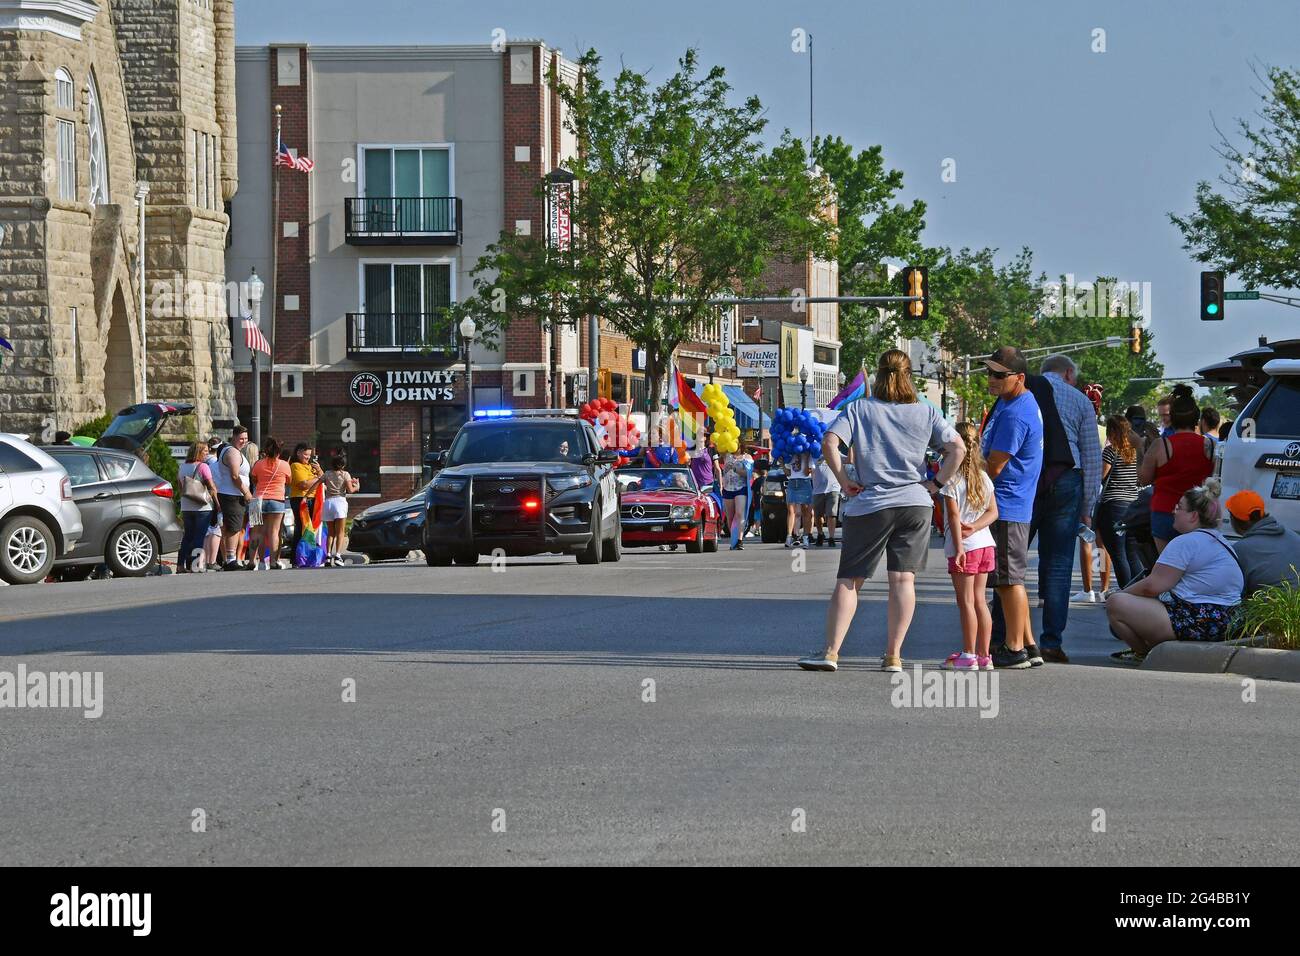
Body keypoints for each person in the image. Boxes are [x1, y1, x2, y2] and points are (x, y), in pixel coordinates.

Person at [797, 349, 963, 673]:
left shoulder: (859, 408)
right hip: (915, 502)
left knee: (849, 580)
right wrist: (936, 484)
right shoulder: (925, 412)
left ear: (878, 374)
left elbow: (830, 442)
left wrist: (844, 480)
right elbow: (958, 448)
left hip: (871, 502)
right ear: (909, 375)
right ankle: (893, 655)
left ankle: (831, 652)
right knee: (903, 581)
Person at [1106, 482, 1243, 658]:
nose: (1173, 511)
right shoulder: (1222, 541)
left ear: (1193, 516)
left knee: (1115, 604)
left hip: (1197, 620)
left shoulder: (1185, 542)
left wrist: (1120, 594)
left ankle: (1143, 653)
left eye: (1179, 507)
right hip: (1227, 621)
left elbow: (1152, 586)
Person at [980, 347, 1044, 670]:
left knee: (1008, 580)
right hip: (1012, 504)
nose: (991, 379)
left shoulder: (1016, 412)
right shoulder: (1014, 402)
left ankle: (1014, 647)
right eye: (989, 372)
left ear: (1018, 378)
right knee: (1012, 577)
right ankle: (1030, 645)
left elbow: (994, 466)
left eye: (999, 375)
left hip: (1006, 505)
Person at [940, 422, 999, 671]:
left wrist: (960, 546)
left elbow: (953, 516)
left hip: (964, 546)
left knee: (965, 602)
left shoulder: (951, 477)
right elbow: (994, 511)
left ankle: (969, 654)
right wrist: (976, 527)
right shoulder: (983, 477)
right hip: (985, 543)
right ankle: (985, 656)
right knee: (980, 601)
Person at [1139, 384, 1214, 554]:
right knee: (1194, 566)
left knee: (1166, 566)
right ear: (1196, 419)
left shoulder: (1161, 445)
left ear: (1172, 418)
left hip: (1164, 512)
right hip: (1196, 513)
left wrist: (1138, 448)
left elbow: (1144, 479)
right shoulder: (1208, 445)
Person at [1091, 415, 1143, 589]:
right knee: (1132, 553)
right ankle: (1138, 590)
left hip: (1114, 506)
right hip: (1133, 506)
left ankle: (1126, 591)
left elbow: (1101, 476)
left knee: (1118, 553)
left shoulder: (1110, 450)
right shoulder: (1133, 452)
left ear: (1112, 431)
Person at [1225, 491, 1300, 596]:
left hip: (1275, 609)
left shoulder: (1240, 550)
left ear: (1234, 519)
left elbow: (1230, 592)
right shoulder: (1292, 535)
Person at [249, 436, 292, 571]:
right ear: (279, 451)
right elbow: (289, 481)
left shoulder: (258, 464)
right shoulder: (284, 465)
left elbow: (254, 478)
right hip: (276, 499)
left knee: (257, 532)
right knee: (274, 532)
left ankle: (255, 561)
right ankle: (273, 561)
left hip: (258, 500)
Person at [213, 425, 252, 571]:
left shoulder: (234, 451)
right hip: (232, 495)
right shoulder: (232, 452)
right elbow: (235, 476)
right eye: (241, 438)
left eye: (246, 439)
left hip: (233, 495)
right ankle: (230, 560)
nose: (243, 441)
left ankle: (231, 559)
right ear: (234, 437)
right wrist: (246, 492)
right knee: (234, 528)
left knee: (234, 528)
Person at [178, 441, 220, 572]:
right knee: (199, 537)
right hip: (202, 507)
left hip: (186, 507)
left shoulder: (182, 467)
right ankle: (195, 565)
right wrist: (217, 504)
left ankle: (180, 565)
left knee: (187, 536)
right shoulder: (203, 467)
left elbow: (180, 487)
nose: (207, 454)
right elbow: (212, 487)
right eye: (205, 451)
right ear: (198, 452)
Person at [323, 454, 361, 567]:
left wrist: (306, 496)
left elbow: (317, 484)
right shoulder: (345, 474)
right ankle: (338, 556)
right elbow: (350, 490)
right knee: (340, 532)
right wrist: (357, 486)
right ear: (343, 465)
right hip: (340, 502)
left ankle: (328, 556)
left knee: (330, 533)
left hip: (328, 502)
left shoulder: (327, 473)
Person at [288, 443, 324, 559]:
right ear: (298, 453)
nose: (307, 457)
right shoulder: (295, 465)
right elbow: (303, 484)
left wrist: (319, 470)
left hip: (314, 499)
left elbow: (324, 479)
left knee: (312, 529)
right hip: (300, 499)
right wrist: (317, 478)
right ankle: (296, 557)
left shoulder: (311, 466)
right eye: (305, 454)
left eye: (309, 455)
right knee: (301, 527)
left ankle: (308, 555)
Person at [720, 448, 753, 550]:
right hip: (728, 488)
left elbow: (748, 474)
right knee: (730, 516)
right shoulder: (727, 456)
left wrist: (736, 469)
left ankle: (739, 540)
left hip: (741, 488)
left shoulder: (747, 457)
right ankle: (733, 539)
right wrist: (726, 468)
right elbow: (723, 471)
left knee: (739, 514)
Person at [811, 442, 842, 547]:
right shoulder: (814, 454)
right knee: (818, 515)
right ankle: (820, 534)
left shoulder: (835, 452)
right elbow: (809, 470)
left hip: (833, 488)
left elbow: (849, 460)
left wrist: (851, 446)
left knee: (831, 514)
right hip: (818, 490)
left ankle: (831, 537)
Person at [784, 449, 814, 548]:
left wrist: (805, 459)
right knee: (791, 510)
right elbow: (788, 473)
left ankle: (805, 537)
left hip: (804, 482)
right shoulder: (790, 454)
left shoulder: (808, 455)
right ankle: (789, 537)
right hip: (792, 483)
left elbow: (806, 473)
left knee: (805, 511)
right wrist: (781, 463)